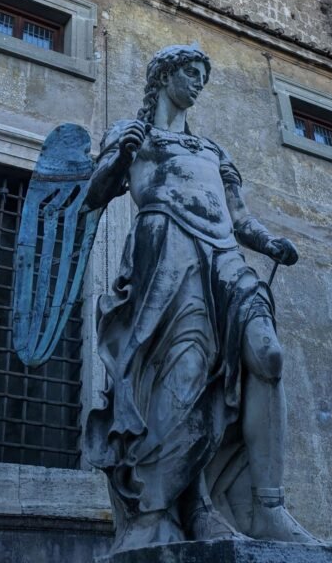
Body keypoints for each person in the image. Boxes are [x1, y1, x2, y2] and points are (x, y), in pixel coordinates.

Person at [84, 44, 318, 553]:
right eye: (190, 75)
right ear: (164, 75)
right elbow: (94, 195)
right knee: (184, 375)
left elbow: (238, 217)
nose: (197, 86)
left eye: (201, 78)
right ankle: (161, 507)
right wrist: (118, 155)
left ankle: (269, 509)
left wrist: (269, 241)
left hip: (223, 257)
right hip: (165, 255)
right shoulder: (135, 134)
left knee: (268, 355)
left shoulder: (212, 151)